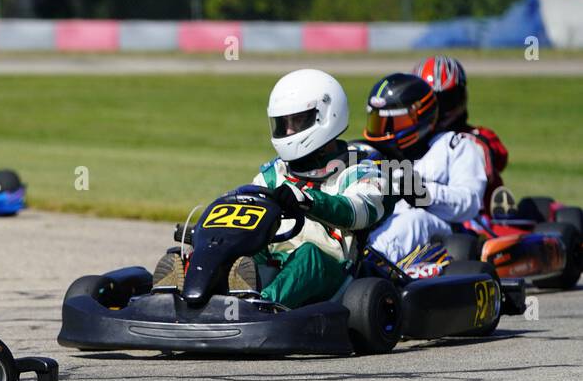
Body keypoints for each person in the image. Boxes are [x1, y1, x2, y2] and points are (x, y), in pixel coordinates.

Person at [154, 69, 388, 308]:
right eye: (283, 123)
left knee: (308, 255)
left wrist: (309, 201)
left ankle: (260, 306)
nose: (287, 131)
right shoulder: (275, 173)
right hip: (275, 254)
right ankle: (187, 294)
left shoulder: (358, 169)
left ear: (325, 116)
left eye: (296, 122)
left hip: (328, 268)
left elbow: (361, 210)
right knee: (239, 249)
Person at [364, 72, 486, 261]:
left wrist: (422, 193)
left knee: (412, 220)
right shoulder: (372, 153)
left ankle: (371, 264)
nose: (383, 131)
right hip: (381, 219)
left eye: (391, 122)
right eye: (378, 122)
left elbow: (469, 203)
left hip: (441, 228)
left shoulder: (454, 146)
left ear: (418, 117)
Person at [413, 54, 509, 211]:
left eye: (446, 100)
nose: (439, 109)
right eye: (431, 102)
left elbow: (500, 157)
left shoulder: (476, 138)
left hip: (476, 215)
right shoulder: (412, 141)